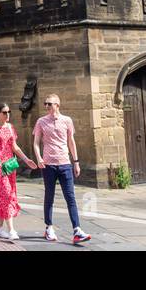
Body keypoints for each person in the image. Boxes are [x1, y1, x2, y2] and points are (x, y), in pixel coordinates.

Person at [33, 94, 91, 245]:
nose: (46, 106)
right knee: (49, 196)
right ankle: (49, 227)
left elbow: (71, 141)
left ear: (57, 105)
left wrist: (76, 162)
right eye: (45, 104)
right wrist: (38, 158)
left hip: (65, 164)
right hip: (48, 165)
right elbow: (36, 143)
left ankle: (77, 230)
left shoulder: (67, 120)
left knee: (70, 198)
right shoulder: (41, 121)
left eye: (49, 104)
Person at [0, 103, 36, 240]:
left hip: (10, 165)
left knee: (7, 195)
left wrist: (26, 159)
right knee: (6, 195)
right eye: (4, 112)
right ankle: (11, 230)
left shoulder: (11, 128)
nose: (7, 115)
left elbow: (15, 147)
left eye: (9, 112)